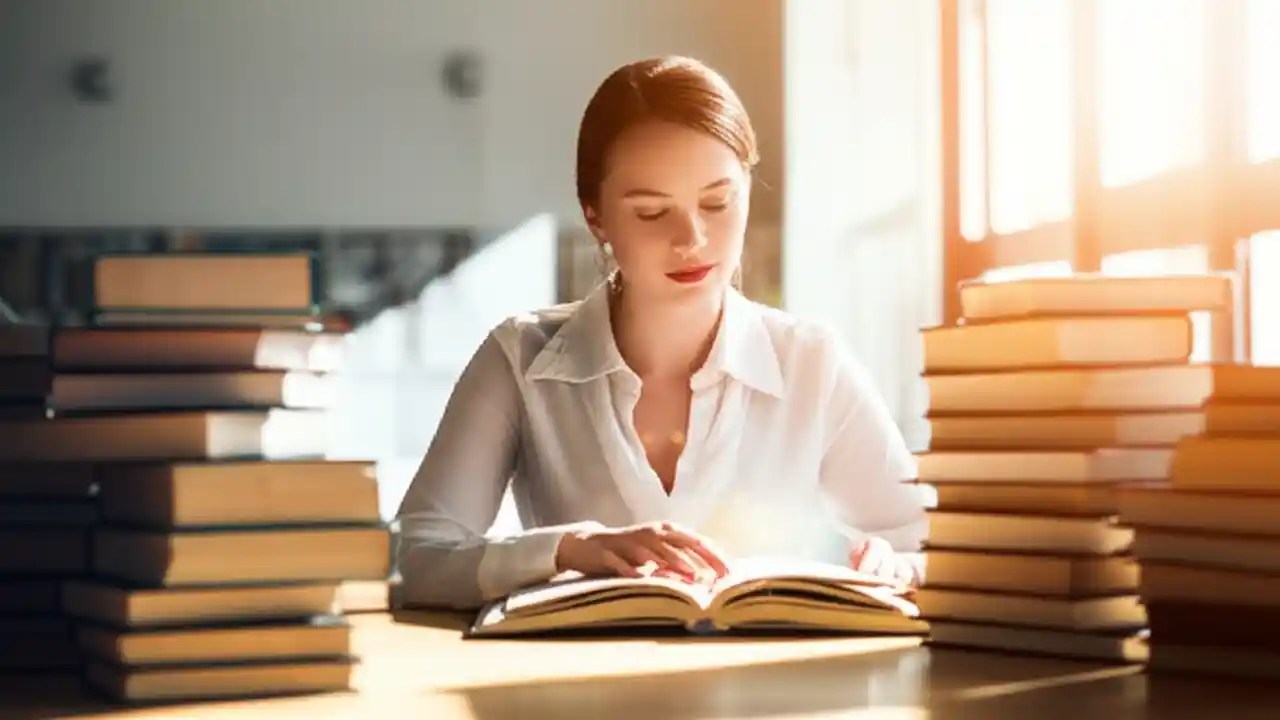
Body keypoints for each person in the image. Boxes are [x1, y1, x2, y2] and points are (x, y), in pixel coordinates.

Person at [396, 56, 926, 609]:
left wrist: (900, 566)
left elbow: (932, 547)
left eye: (718, 203)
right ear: (595, 216)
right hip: (578, 688)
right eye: (651, 212)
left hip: (776, 686)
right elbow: (421, 562)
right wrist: (567, 549)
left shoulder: (811, 361)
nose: (692, 238)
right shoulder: (519, 360)